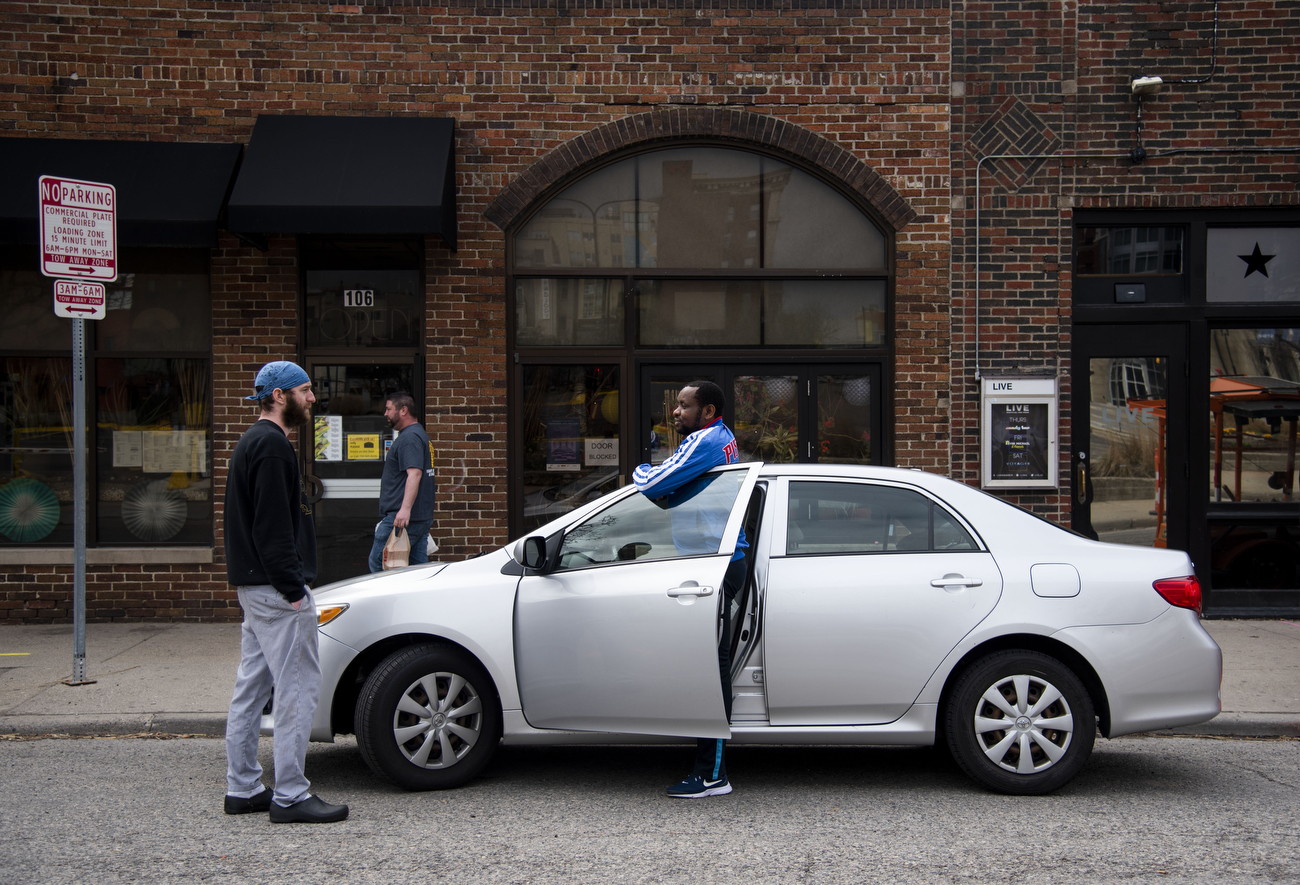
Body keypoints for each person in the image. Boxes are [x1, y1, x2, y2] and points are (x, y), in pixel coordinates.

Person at [223, 360, 349, 824]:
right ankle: (291, 795)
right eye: (305, 390)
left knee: (251, 689)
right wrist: (295, 591)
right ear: (279, 396)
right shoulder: (273, 448)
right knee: (297, 691)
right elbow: (273, 530)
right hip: (278, 593)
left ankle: (242, 788)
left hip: (254, 589)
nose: (313, 398)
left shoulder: (250, 443)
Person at [632, 380, 748, 799]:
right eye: (677, 405)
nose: (676, 413)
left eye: (684, 406)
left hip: (716, 566)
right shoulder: (719, 438)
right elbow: (673, 492)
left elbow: (653, 483)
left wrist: (640, 469)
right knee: (706, 667)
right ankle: (708, 769)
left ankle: (713, 774)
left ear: (709, 410)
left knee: (711, 671)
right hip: (717, 562)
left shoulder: (705, 440)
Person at [368, 391, 436, 573]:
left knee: (379, 563)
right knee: (417, 570)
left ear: (403, 410)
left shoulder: (409, 438)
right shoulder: (419, 435)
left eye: (389, 409)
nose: (385, 413)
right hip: (419, 516)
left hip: (403, 518)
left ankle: (386, 602)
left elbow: (414, 474)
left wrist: (404, 511)